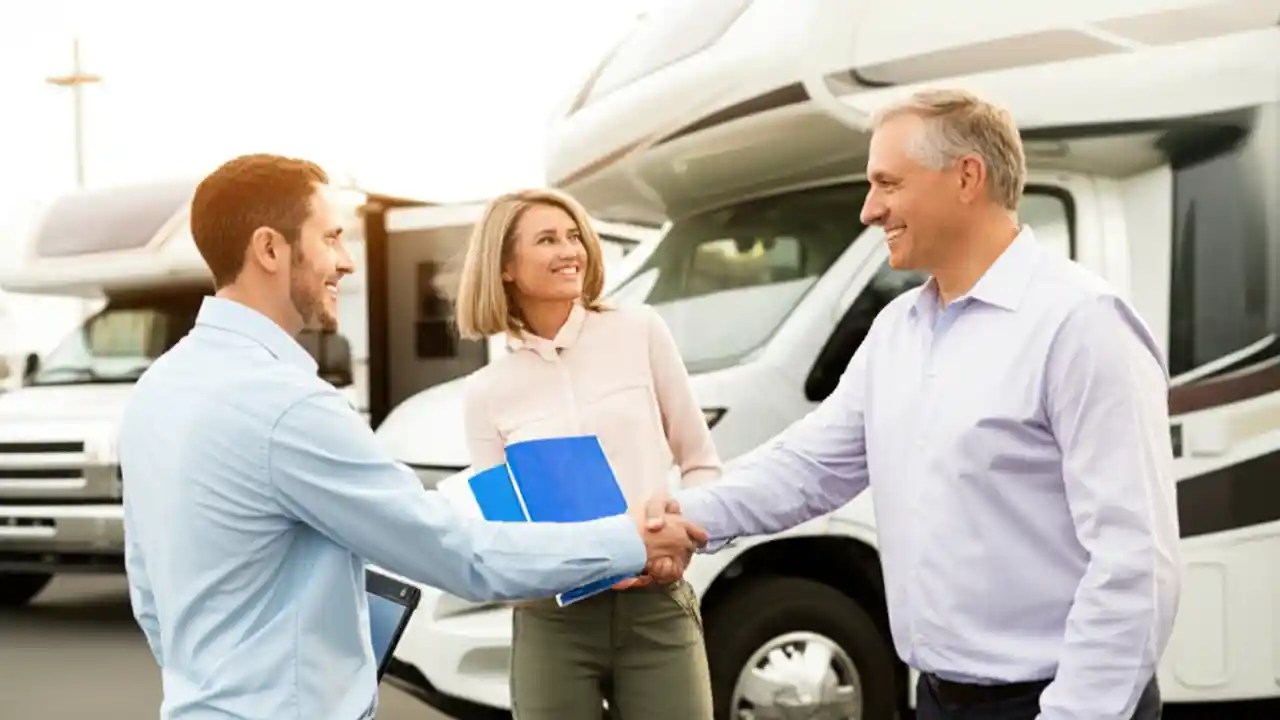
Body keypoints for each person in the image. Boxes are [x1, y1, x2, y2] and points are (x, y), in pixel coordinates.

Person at [118, 154, 707, 720]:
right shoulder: (290, 406)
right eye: (330, 238)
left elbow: (149, 593)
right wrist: (631, 540)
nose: (346, 262)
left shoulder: (155, 392)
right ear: (270, 248)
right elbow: (456, 551)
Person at [654, 89, 1182, 719]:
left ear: (966, 177)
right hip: (935, 700)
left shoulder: (1083, 325)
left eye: (887, 183)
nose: (869, 210)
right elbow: (809, 465)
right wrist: (682, 517)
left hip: (1055, 704)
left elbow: (1135, 563)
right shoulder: (898, 329)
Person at [455, 188, 720, 719]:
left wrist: (681, 543)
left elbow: (700, 463)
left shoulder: (640, 331)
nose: (569, 251)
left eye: (574, 236)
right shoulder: (486, 391)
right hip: (553, 623)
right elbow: (502, 528)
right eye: (548, 240)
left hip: (655, 605)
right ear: (505, 266)